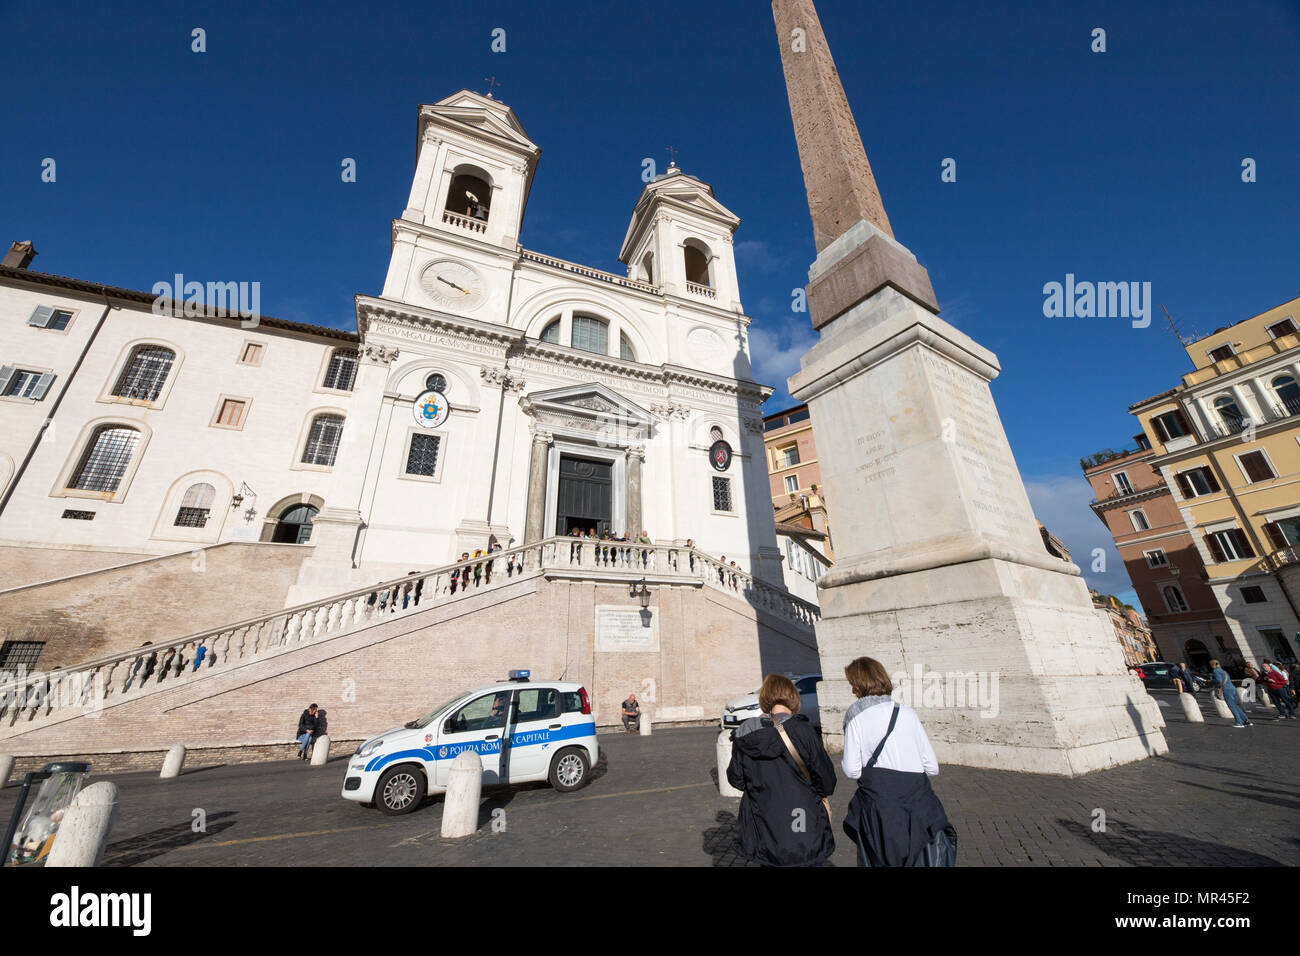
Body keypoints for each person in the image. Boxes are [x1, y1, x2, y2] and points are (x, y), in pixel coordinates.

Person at [840, 656, 956, 867]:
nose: (852, 691)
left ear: (861, 684)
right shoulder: (907, 712)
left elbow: (852, 770)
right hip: (920, 805)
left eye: (853, 685)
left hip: (881, 809)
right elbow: (932, 766)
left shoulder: (855, 716)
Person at [726, 673, 836, 867]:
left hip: (766, 823)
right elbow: (826, 779)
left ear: (765, 698)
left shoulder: (745, 734)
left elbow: (736, 780)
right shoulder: (803, 731)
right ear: (792, 697)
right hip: (802, 819)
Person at [1210, 659, 1252, 727]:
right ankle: (1247, 721)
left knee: (1232, 706)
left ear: (1212, 665)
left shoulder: (1215, 671)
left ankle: (1239, 723)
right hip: (1233, 689)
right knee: (1236, 706)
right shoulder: (1224, 671)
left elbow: (1219, 681)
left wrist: (1212, 680)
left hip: (1227, 690)